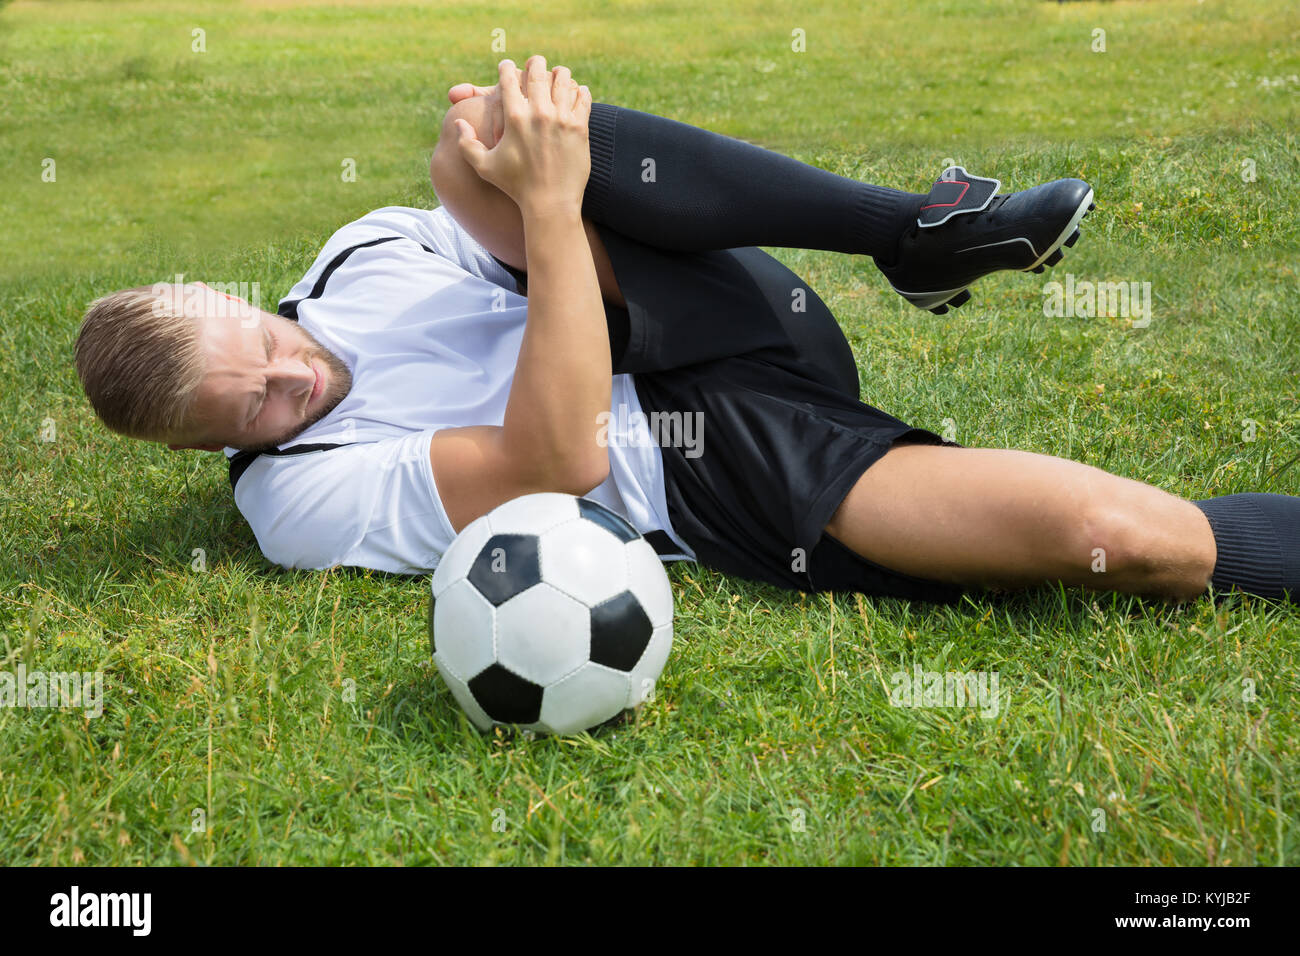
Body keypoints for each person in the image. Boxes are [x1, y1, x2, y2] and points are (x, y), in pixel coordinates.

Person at [73, 56, 1299, 607]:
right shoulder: (294, 505)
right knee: (1121, 540)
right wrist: (551, 213)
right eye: (262, 404)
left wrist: (524, 176)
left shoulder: (354, 259)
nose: (303, 370)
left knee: (472, 137)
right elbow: (557, 464)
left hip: (705, 311)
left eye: (266, 341)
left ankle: (911, 232)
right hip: (724, 466)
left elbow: (512, 182)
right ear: (214, 450)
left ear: (227, 294)